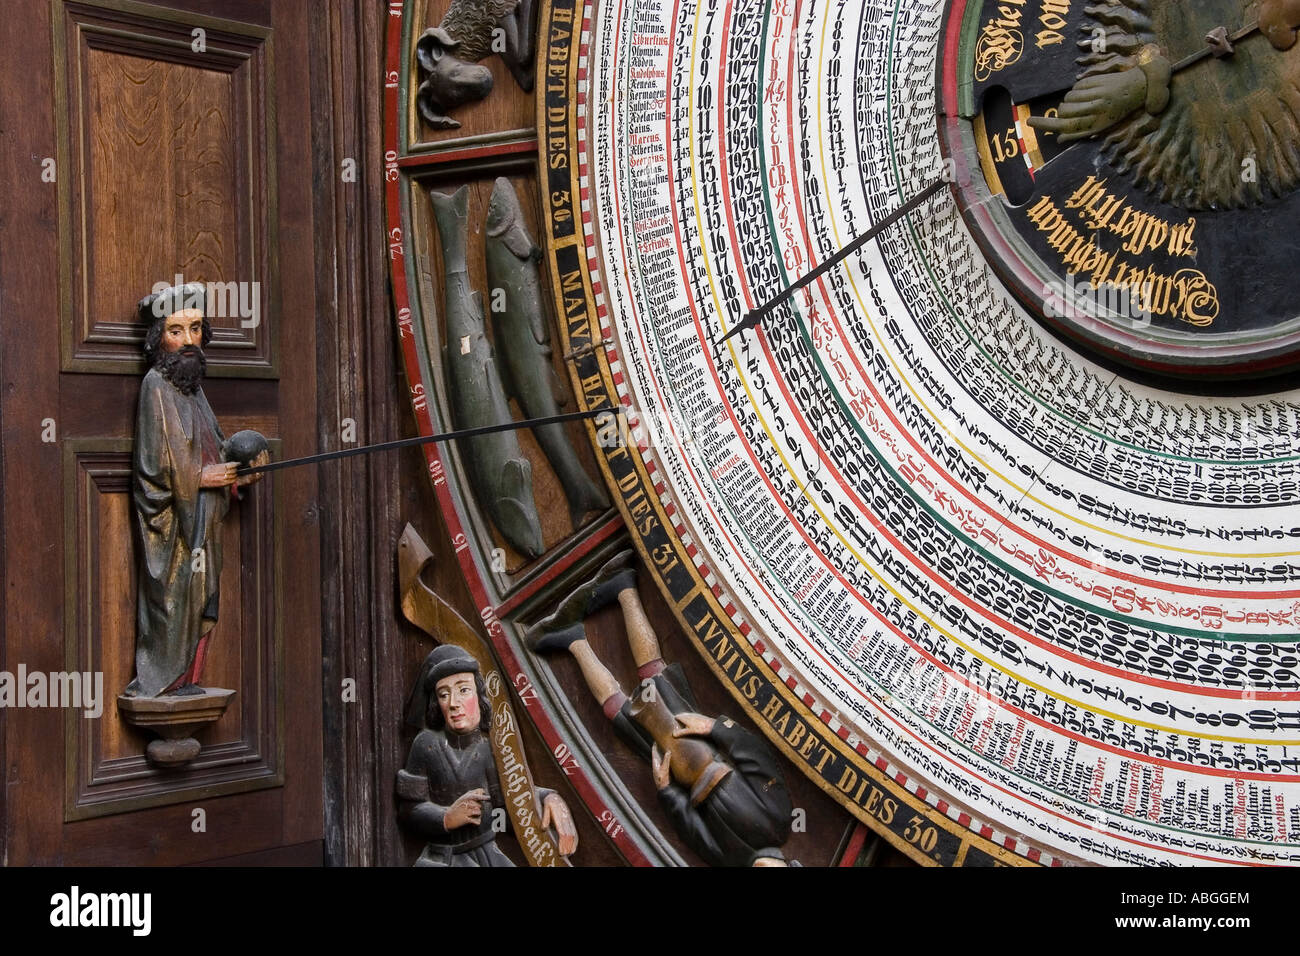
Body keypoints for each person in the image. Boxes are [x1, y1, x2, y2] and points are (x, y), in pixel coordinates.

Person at [527, 552, 796, 867]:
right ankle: (624, 589)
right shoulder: (778, 821)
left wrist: (666, 790)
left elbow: (691, 830)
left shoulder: (731, 861)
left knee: (620, 713)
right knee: (654, 676)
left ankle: (571, 639)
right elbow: (756, 755)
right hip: (700, 745)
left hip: (675, 771)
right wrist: (713, 727)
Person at [123, 284, 265, 698]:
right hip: (172, 528)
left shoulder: (193, 389)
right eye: (176, 330)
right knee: (172, 601)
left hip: (203, 521)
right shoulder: (155, 386)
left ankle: (189, 679)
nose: (188, 340)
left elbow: (214, 448)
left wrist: (237, 475)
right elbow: (152, 470)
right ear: (158, 339)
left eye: (196, 328)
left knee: (202, 596)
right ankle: (163, 682)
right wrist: (203, 478)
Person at [397, 644, 577, 866]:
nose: (453, 703)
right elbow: (408, 809)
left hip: (487, 856)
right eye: (444, 694)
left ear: (480, 694)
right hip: (442, 859)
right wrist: (446, 817)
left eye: (463, 690)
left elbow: (509, 799)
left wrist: (548, 798)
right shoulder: (426, 744)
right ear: (437, 703)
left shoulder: (491, 748)